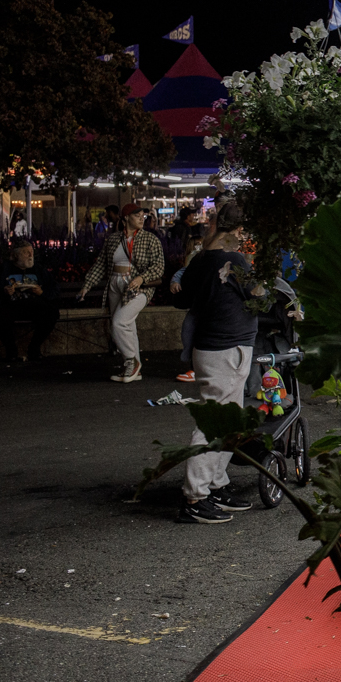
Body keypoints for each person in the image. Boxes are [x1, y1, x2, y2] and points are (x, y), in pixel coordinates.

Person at [174, 200, 261, 525]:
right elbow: (258, 298)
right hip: (226, 348)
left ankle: (215, 484)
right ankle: (195, 496)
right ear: (238, 230)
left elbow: (183, 296)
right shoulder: (233, 260)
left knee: (229, 420)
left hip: (213, 345)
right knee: (214, 422)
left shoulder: (202, 258)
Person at [77, 203, 164, 383]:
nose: (141, 218)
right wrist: (87, 285)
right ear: (126, 218)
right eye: (137, 215)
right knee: (128, 326)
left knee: (119, 322)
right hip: (115, 282)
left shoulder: (150, 239)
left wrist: (142, 278)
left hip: (137, 286)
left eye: (143, 216)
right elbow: (101, 264)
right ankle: (133, 369)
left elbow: (159, 266)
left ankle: (132, 361)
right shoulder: (113, 239)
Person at [0, 239, 59, 363]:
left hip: (34, 305)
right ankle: (11, 351)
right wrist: (4, 292)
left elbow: (54, 289)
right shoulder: (3, 270)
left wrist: (42, 293)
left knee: (51, 313)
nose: (31, 255)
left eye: (31, 252)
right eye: (26, 252)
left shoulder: (38, 270)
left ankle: (34, 349)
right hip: (11, 305)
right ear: (15, 255)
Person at [169, 237, 206, 383]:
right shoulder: (194, 263)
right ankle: (194, 367)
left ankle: (197, 369)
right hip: (198, 305)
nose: (198, 247)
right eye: (196, 245)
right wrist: (175, 282)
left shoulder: (208, 260)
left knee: (196, 333)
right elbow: (182, 272)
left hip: (205, 305)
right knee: (189, 331)